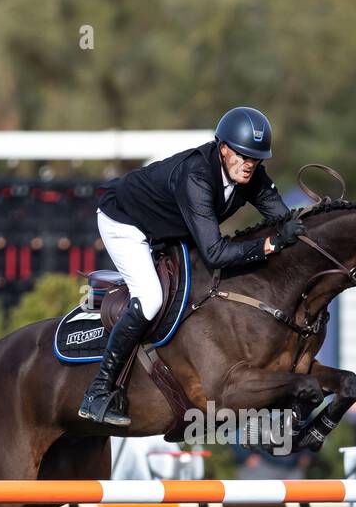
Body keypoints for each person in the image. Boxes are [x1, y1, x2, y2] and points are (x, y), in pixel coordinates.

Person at [80, 106, 305, 426]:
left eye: (256, 158)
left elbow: (283, 219)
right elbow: (214, 252)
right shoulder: (197, 176)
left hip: (168, 227)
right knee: (150, 298)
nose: (249, 164)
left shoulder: (251, 173)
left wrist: (307, 225)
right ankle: (99, 391)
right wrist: (268, 245)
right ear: (223, 148)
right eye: (242, 155)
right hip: (125, 221)